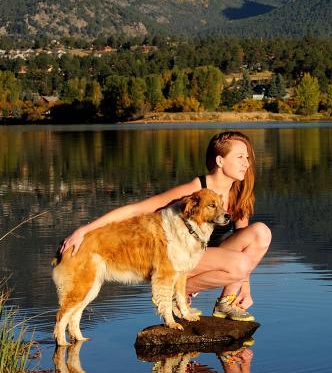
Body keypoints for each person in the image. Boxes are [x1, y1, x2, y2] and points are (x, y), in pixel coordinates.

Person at [59, 131, 271, 321]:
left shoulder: (239, 192)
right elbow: (137, 210)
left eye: (248, 157)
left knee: (261, 233)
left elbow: (246, 244)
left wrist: (245, 285)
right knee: (240, 264)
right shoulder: (195, 190)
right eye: (240, 157)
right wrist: (84, 230)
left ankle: (227, 302)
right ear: (220, 160)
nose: (247, 163)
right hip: (182, 258)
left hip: (207, 255)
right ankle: (176, 293)